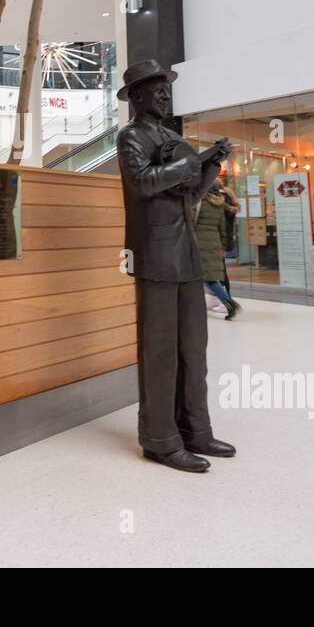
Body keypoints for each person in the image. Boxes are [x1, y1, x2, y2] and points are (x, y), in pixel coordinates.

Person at [116, 58, 236, 473]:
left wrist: (211, 164)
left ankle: (195, 431)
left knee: (193, 348)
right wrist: (191, 162)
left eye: (168, 89)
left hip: (185, 255)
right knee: (160, 351)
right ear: (136, 97)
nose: (166, 95)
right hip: (155, 255)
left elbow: (190, 195)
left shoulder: (170, 136)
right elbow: (144, 182)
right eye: (157, 89)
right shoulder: (129, 137)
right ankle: (160, 440)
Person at [197, 180, 242, 320]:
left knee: (207, 278)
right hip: (214, 243)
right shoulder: (219, 205)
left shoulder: (200, 202)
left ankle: (229, 303)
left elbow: (192, 222)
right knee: (208, 276)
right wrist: (222, 246)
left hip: (200, 243)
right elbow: (223, 228)